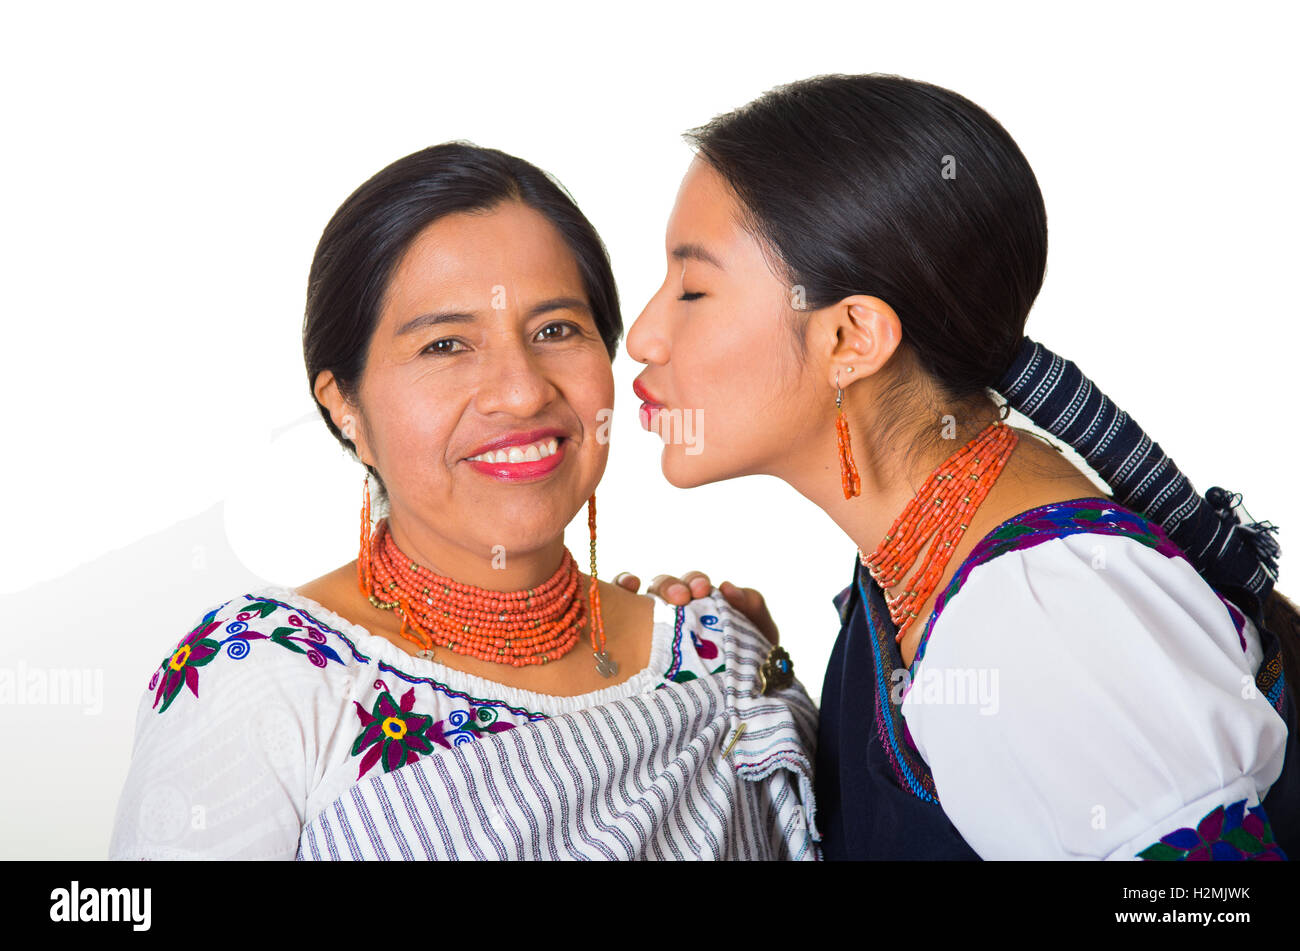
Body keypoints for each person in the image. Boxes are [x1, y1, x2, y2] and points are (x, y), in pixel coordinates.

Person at [620, 72, 1299, 860]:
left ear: (852, 339)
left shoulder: (1037, 620)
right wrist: (768, 688)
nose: (642, 336)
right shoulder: (930, 561)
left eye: (694, 290)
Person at [108, 142, 818, 861]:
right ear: (345, 404)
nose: (521, 390)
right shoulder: (258, 677)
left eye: (556, 330)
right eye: (446, 345)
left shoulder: (718, 659)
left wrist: (760, 660)